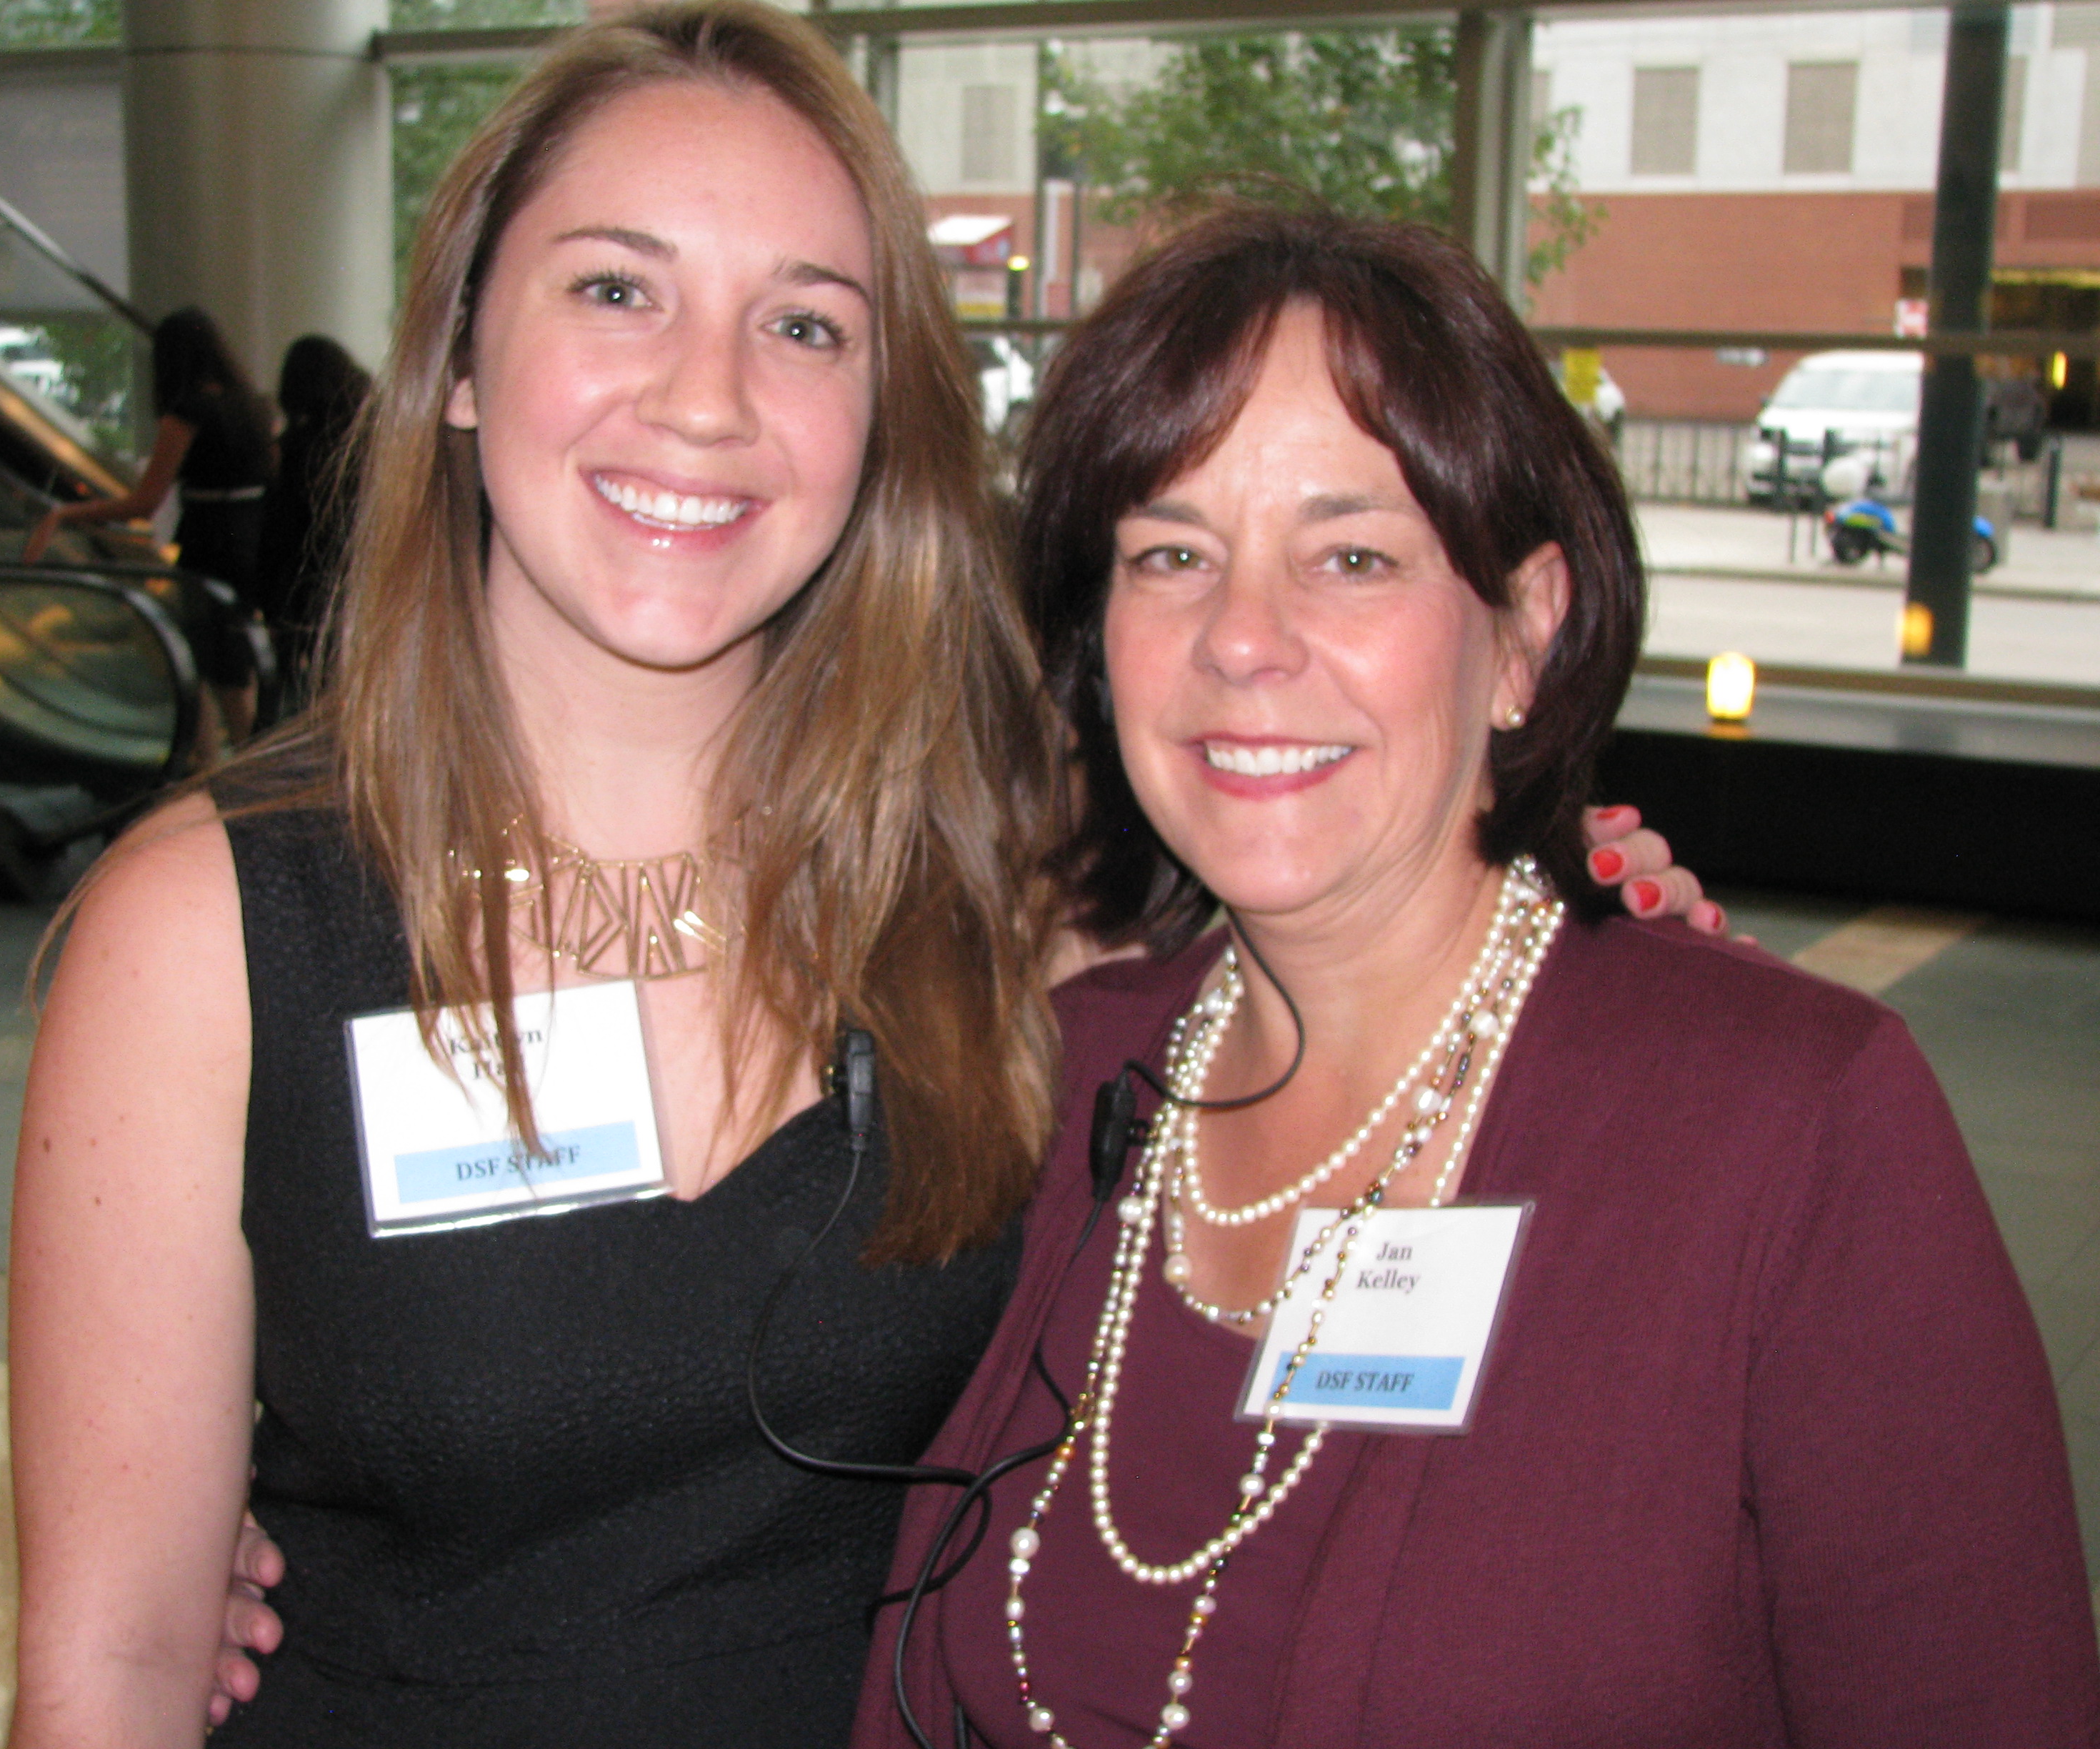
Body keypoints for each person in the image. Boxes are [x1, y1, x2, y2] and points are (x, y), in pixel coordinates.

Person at [44, 14, 1711, 1746]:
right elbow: (109, 1672)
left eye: (804, 323)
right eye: (616, 289)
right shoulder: (207, 931)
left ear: (876, 414)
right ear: (458, 353)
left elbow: (1377, 999)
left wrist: (1584, 918)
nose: (705, 396)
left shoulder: (1007, 899)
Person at [854, 204, 2099, 1748]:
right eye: (1172, 554)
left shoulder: (1789, 1132)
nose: (1245, 638)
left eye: (1354, 554)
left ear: (1526, 632)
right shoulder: (1063, 1082)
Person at [24, 306, 273, 742]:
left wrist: (66, 513)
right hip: (254, 539)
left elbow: (145, 501)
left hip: (208, 545)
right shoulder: (254, 406)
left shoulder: (187, 413)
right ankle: (240, 761)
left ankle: (210, 765)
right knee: (238, 668)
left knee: (206, 664)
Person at [254, 334, 370, 708]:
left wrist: (269, 601)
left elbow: (281, 530)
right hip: (368, 579)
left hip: (313, 588)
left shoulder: (297, 449)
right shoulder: (376, 437)